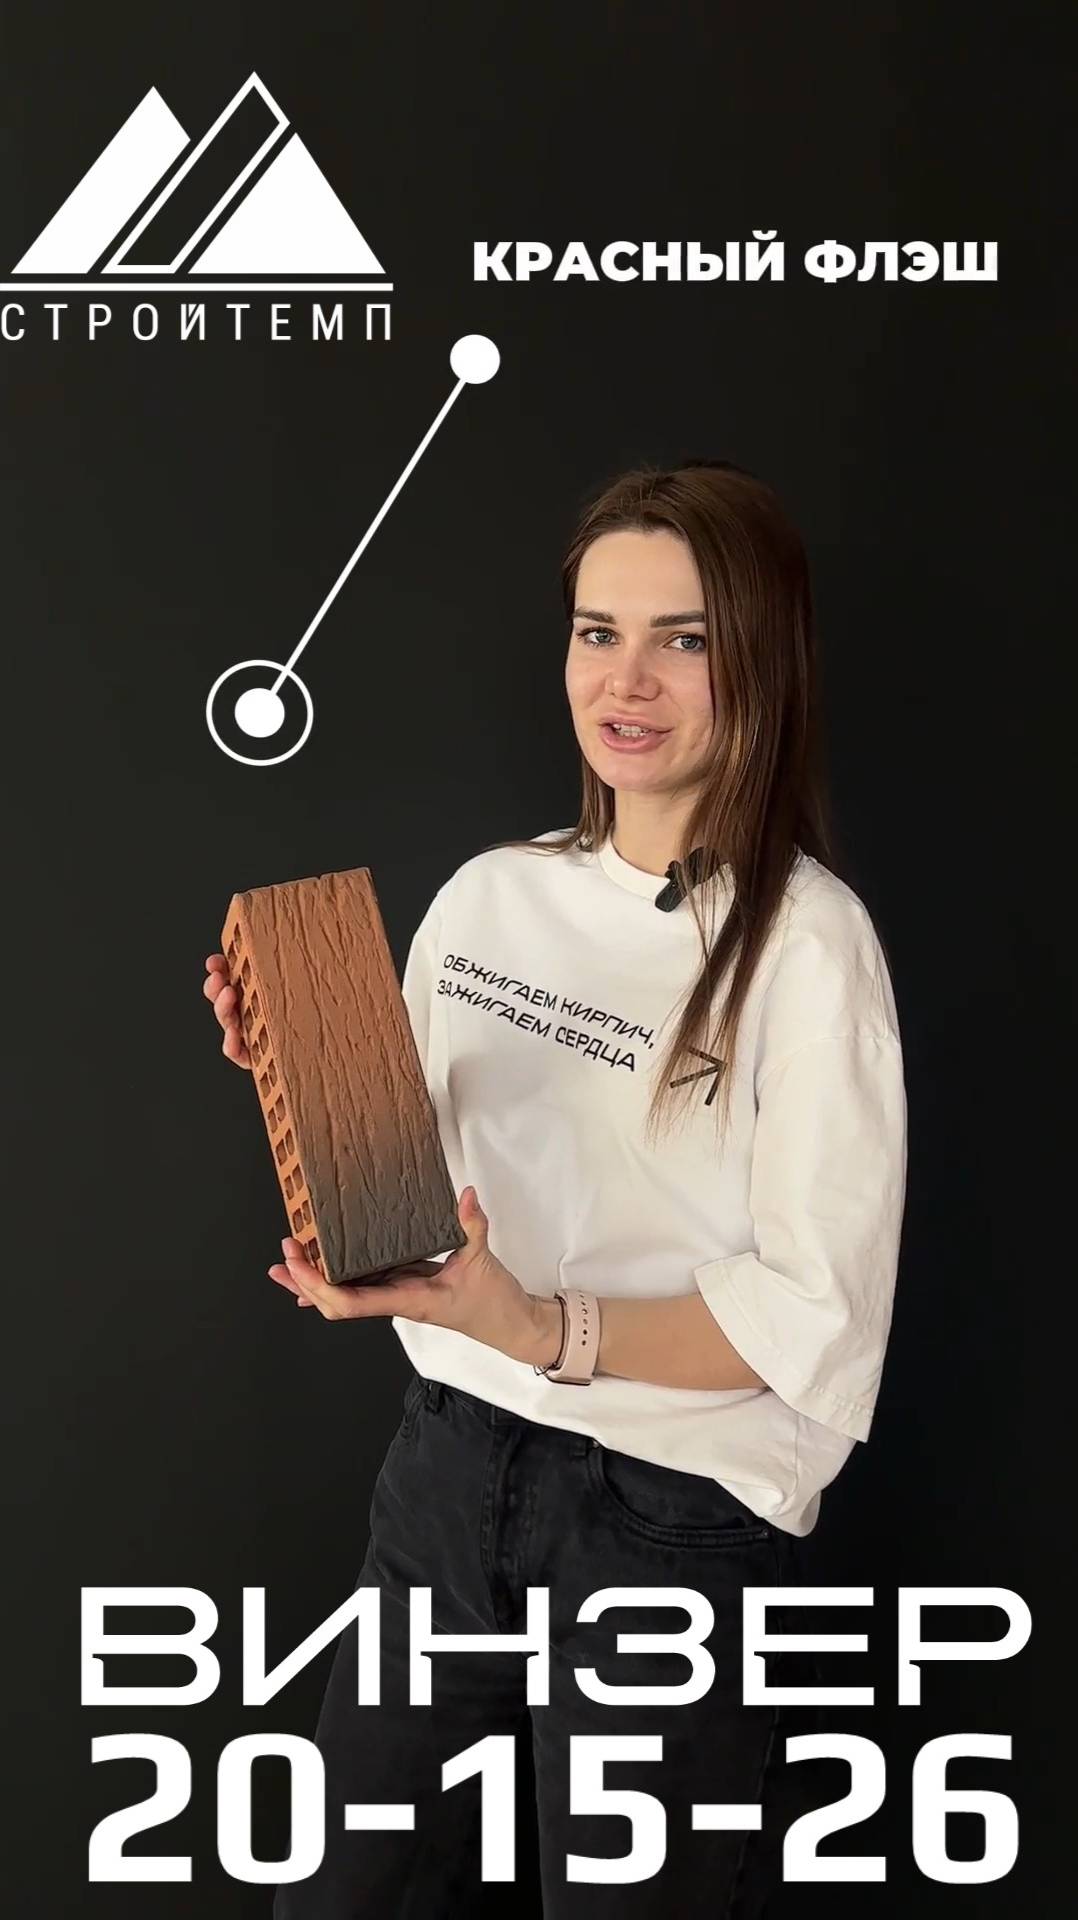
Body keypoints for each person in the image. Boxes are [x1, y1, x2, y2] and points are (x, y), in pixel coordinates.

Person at [203, 458, 908, 1917]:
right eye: (598, 631)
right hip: (445, 1476)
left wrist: (538, 1327)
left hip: (667, 1528)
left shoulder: (810, 948)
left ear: (761, 658)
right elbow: (410, 1194)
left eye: (682, 638)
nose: (625, 680)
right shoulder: (491, 897)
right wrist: (295, 1064)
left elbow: (810, 1322)